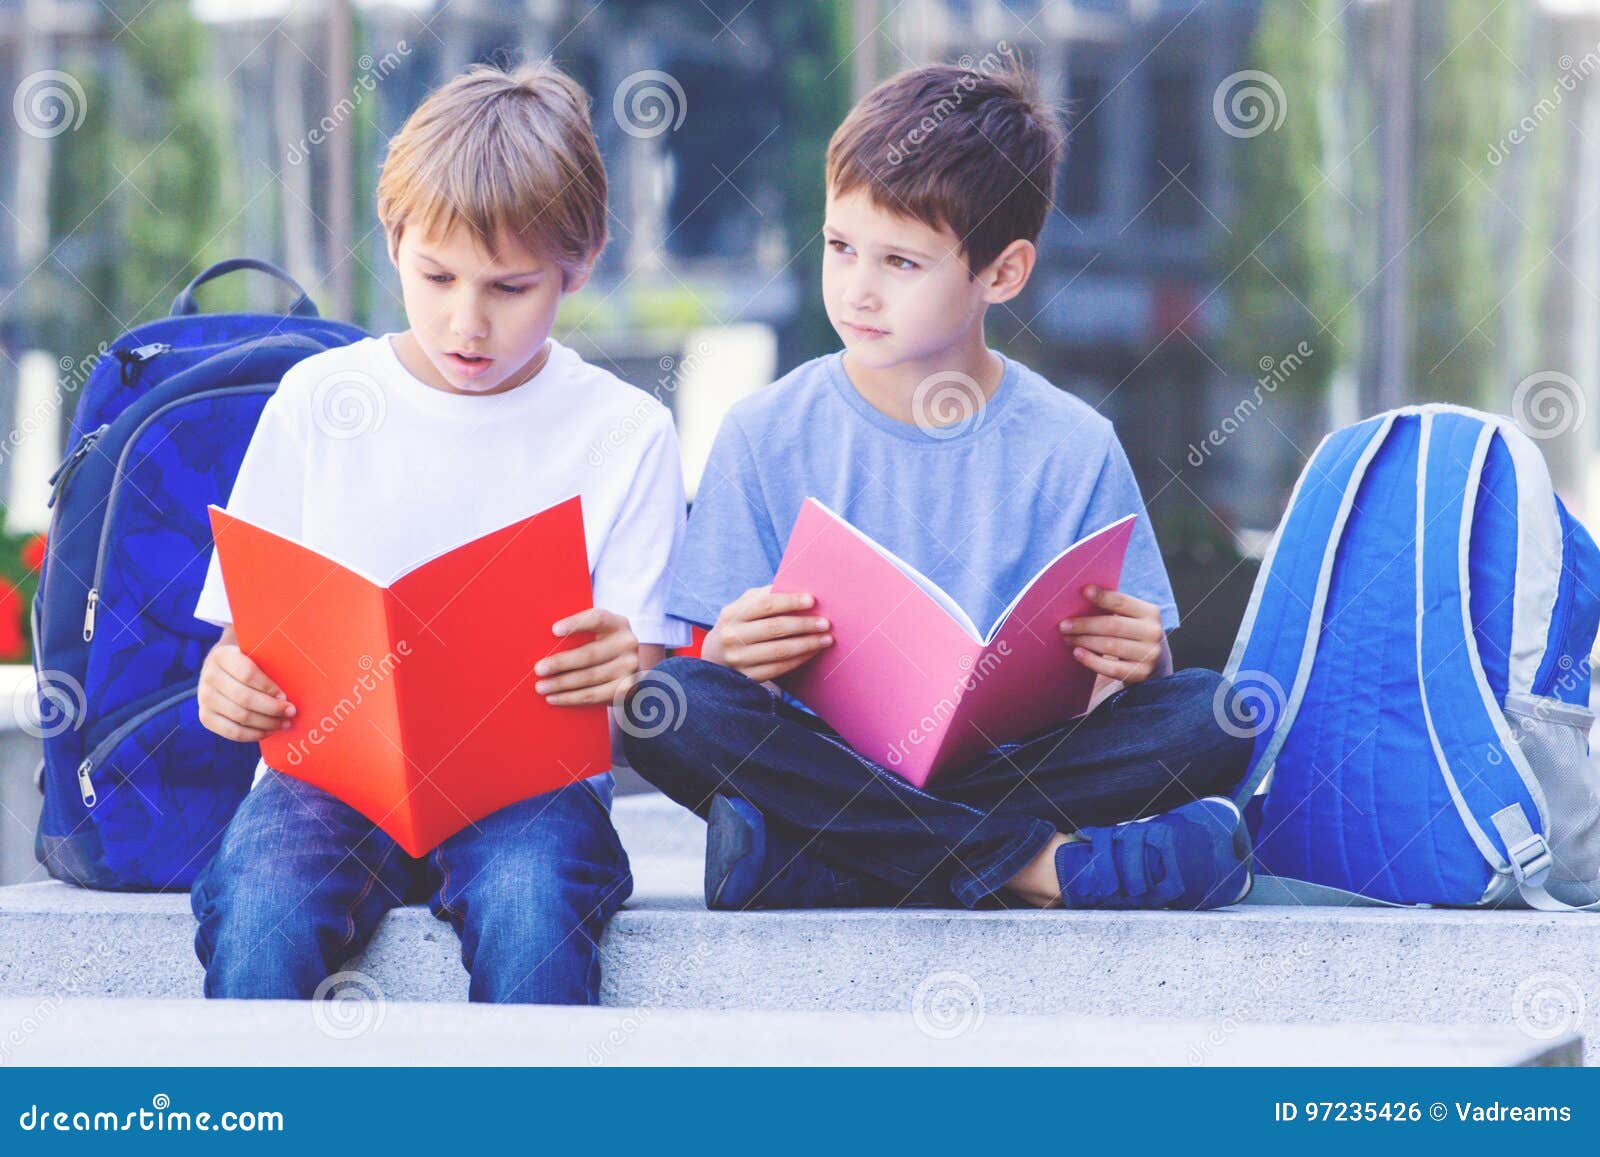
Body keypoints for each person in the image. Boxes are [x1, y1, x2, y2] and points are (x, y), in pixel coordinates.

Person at [623, 61, 1254, 913]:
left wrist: (1144, 662)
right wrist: (732, 655)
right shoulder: (764, 431)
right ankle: (1042, 868)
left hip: (1007, 763)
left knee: (1212, 716)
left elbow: (1128, 687)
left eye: (902, 263)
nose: (858, 289)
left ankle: (821, 863)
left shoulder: (1074, 445)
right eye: (841, 247)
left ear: (1002, 273)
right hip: (830, 763)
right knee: (671, 704)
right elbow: (727, 687)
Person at [189, 62, 689, 1002]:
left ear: (578, 267)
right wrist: (231, 686)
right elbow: (239, 646)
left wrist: (631, 676)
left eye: (510, 287)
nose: (468, 321)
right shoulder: (319, 399)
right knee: (260, 904)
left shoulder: (627, 430)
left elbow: (639, 690)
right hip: (329, 777)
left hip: (528, 788)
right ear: (394, 240)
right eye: (437, 276)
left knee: (534, 901)